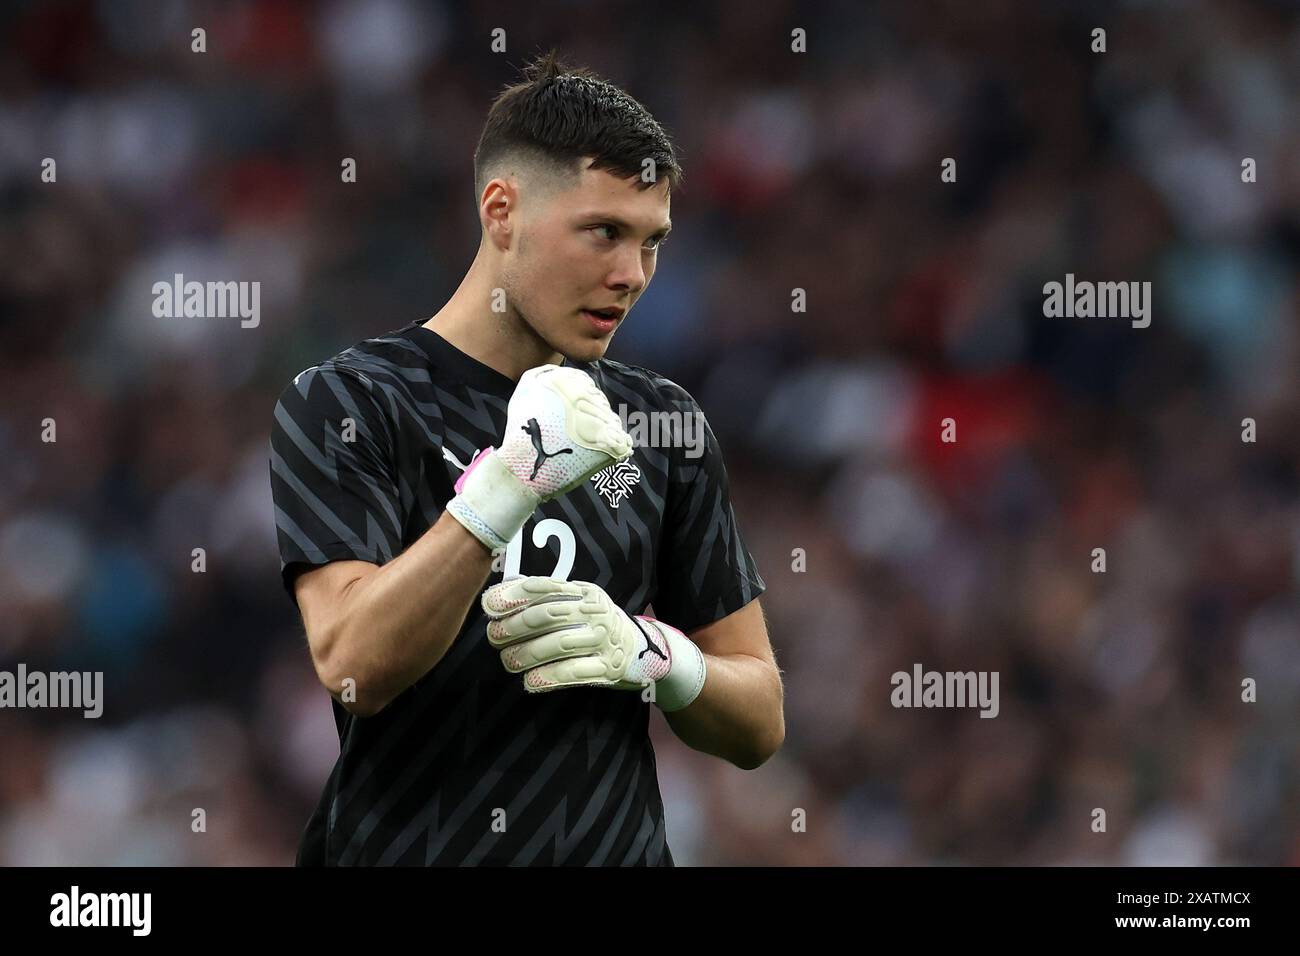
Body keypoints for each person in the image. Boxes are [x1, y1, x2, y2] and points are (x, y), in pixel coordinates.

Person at [269, 50, 783, 866]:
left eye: (652, 242)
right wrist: (508, 484)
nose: (631, 275)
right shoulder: (350, 402)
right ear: (501, 210)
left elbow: (759, 719)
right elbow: (353, 661)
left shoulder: (660, 421)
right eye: (603, 233)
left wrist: (658, 656)